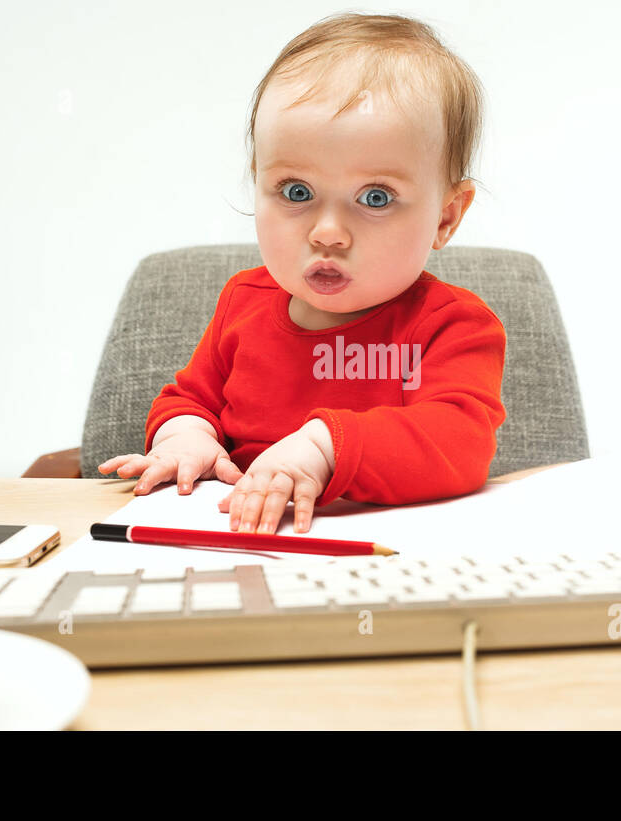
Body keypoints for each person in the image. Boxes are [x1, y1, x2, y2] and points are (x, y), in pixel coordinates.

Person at [99, 13, 506, 535]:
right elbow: (191, 398)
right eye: (296, 192)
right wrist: (186, 438)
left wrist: (323, 445)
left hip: (382, 551)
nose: (328, 233)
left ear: (446, 216)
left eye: (375, 198)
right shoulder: (241, 301)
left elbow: (460, 442)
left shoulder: (452, 326)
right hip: (236, 542)